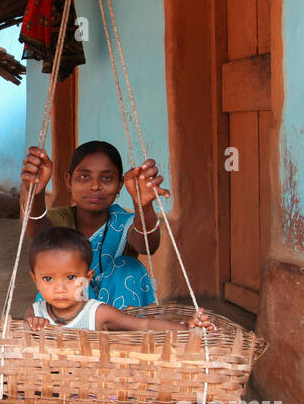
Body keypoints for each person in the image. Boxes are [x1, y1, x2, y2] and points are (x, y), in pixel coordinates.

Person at [19, 140, 163, 308]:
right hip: (71, 320)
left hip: (121, 317)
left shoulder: (124, 222)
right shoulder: (61, 219)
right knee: (79, 284)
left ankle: (121, 332)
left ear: (120, 185)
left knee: (129, 267)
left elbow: (148, 246)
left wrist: (143, 206)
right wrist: (35, 194)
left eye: (107, 178)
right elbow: (38, 233)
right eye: (84, 177)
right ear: (68, 181)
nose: (95, 186)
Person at [25, 227, 213, 332]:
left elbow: (144, 324)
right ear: (35, 279)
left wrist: (185, 327)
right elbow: (21, 336)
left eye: (71, 277)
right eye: (48, 278)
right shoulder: (35, 312)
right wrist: (33, 325)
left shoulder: (98, 313)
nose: (59, 288)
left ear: (88, 278)